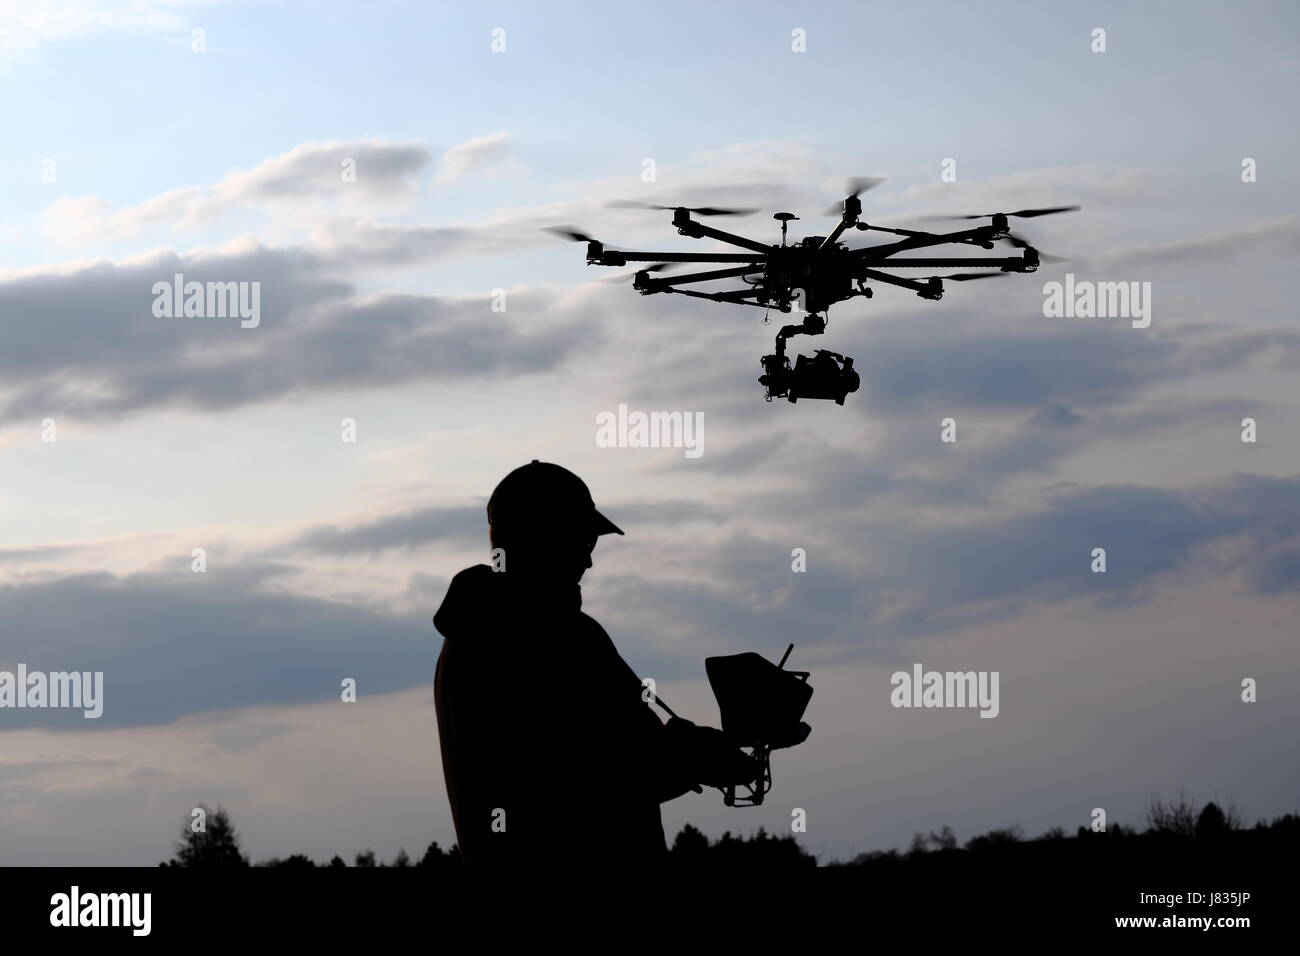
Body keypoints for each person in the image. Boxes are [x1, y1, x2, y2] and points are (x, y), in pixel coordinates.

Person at [433, 460, 755, 869]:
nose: (588, 563)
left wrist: (689, 752)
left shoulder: (476, 629)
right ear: (542, 539)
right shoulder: (546, 635)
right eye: (580, 543)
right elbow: (594, 773)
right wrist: (702, 756)